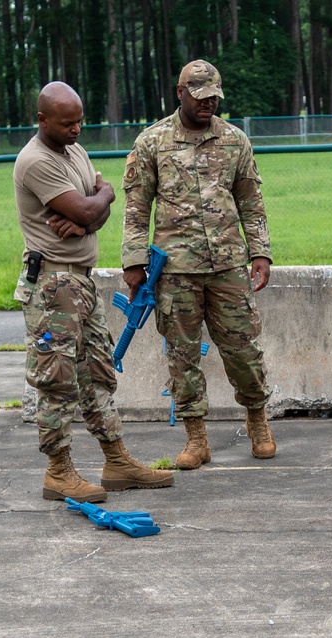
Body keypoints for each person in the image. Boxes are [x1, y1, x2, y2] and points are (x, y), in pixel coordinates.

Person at [13, 81, 174, 502]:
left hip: (81, 281)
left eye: (80, 122)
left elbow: (94, 215)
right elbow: (91, 206)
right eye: (67, 123)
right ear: (42, 119)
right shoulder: (35, 161)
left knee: (98, 374)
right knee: (58, 380)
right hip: (52, 286)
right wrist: (101, 196)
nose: (76, 129)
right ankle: (58, 472)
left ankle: (116, 461)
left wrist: (91, 213)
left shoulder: (76, 153)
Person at [122, 59, 276, 469]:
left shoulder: (235, 140)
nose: (208, 103)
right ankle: (196, 438)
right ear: (180, 93)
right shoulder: (152, 142)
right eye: (200, 96)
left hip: (228, 266)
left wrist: (260, 252)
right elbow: (136, 209)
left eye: (214, 97)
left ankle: (258, 421)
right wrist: (134, 262)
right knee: (182, 356)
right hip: (175, 271)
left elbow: (251, 202)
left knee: (244, 350)